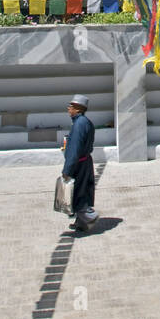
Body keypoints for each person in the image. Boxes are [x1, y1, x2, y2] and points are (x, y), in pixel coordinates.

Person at [62, 93, 98, 232]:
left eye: (71, 106)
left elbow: (75, 149)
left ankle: (91, 217)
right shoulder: (84, 122)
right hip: (85, 161)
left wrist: (67, 170)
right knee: (82, 191)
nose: (68, 108)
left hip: (79, 164)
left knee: (79, 193)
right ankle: (81, 222)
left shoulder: (79, 124)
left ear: (78, 108)